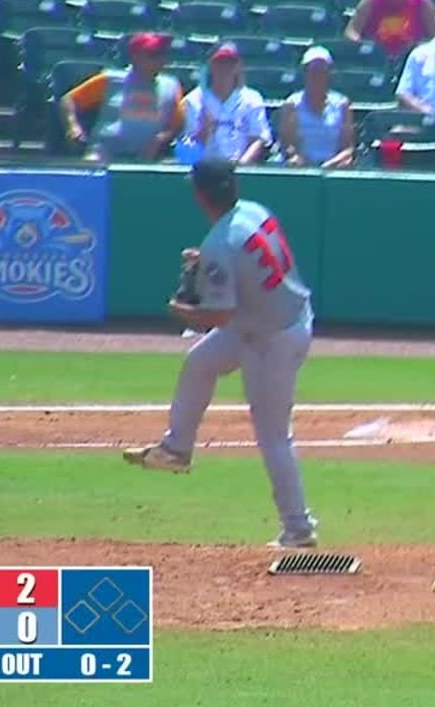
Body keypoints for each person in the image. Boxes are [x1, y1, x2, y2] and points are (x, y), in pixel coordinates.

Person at [124, 159, 322, 550]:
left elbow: (216, 315)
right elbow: (243, 263)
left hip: (271, 340)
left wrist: (180, 311)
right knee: (201, 362)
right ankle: (177, 448)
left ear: (200, 194)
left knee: (273, 437)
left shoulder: (219, 243)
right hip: (281, 319)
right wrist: (209, 264)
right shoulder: (253, 211)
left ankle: (298, 528)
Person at [60, 32, 184, 164]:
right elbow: (69, 100)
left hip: (148, 156)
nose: (161, 60)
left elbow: (176, 124)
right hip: (104, 151)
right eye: (153, 55)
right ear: (136, 57)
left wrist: (161, 139)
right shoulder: (109, 79)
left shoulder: (171, 85)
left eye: (162, 54)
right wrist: (73, 127)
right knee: (90, 165)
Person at [178, 42, 271, 166]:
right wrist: (203, 131)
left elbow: (259, 139)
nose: (225, 68)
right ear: (210, 66)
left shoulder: (252, 99)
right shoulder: (193, 100)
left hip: (240, 168)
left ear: (238, 66)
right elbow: (186, 156)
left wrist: (242, 164)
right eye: (220, 63)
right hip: (204, 170)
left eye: (230, 63)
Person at [279, 46, 356, 168]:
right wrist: (297, 159)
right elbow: (288, 145)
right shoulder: (292, 104)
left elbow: (347, 148)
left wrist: (329, 165)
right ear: (305, 72)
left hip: (333, 169)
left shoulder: (342, 104)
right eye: (313, 70)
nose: (317, 74)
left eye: (322, 70)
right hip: (301, 170)